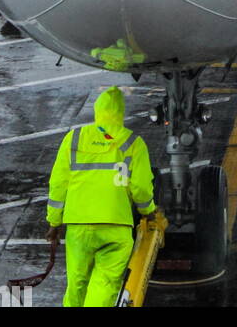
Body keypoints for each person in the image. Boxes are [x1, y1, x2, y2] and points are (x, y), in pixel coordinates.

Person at [45, 85, 163, 307]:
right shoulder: (133, 143)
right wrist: (149, 211)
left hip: (79, 226)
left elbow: (58, 183)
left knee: (76, 282)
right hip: (116, 226)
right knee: (106, 283)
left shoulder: (75, 138)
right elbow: (141, 187)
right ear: (120, 112)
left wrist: (54, 221)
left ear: (97, 110)